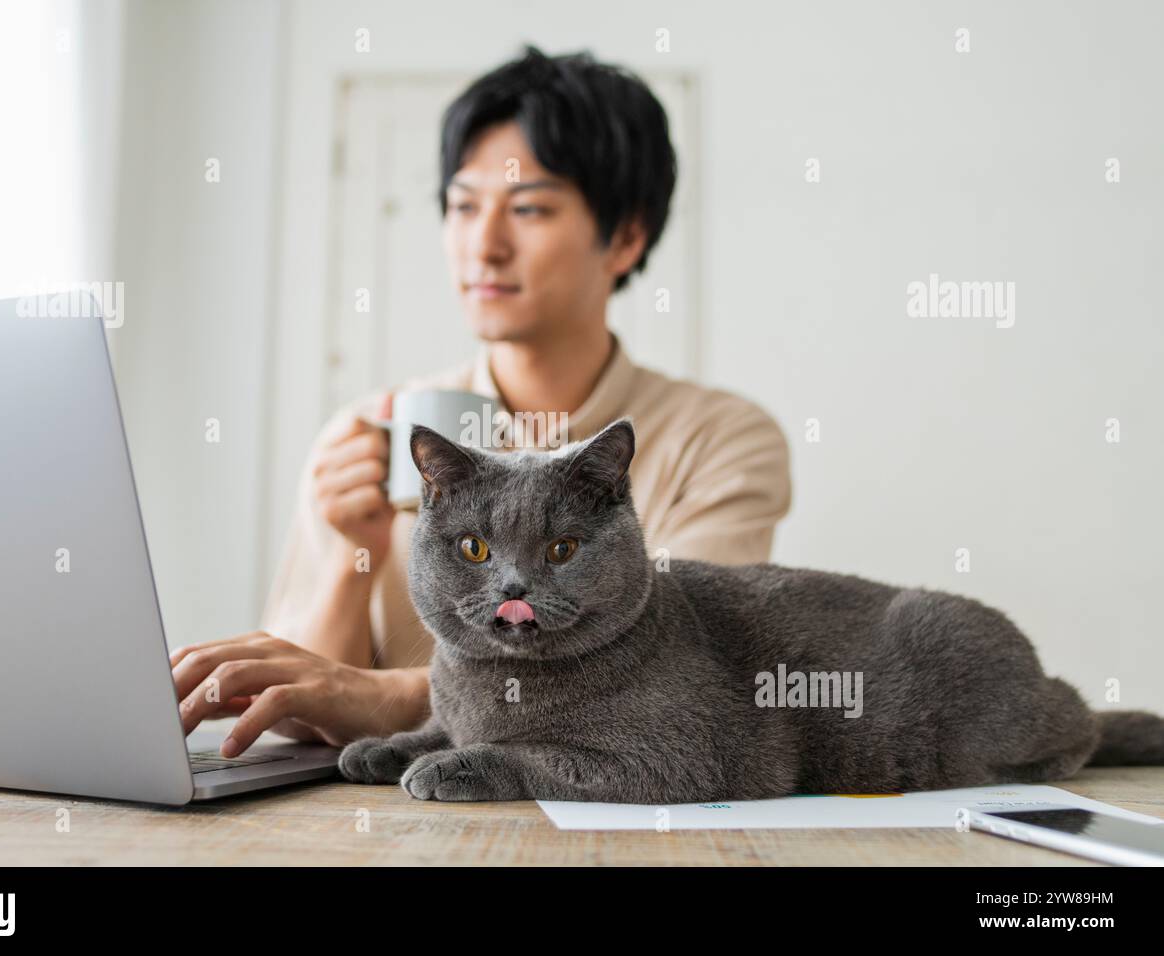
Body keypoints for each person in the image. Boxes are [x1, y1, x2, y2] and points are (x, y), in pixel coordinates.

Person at [171, 46, 792, 759]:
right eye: (463, 205)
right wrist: (354, 555)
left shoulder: (719, 441)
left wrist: (375, 697)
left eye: (527, 208)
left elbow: (653, 678)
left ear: (625, 237)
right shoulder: (374, 432)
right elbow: (292, 706)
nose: (484, 246)